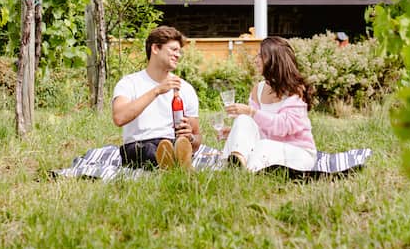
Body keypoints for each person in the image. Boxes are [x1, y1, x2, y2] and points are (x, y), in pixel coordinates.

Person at [221, 35, 317, 172]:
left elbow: (283, 126)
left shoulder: (295, 90)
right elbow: (257, 126)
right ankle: (237, 161)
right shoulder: (258, 89)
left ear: (274, 60)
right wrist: (235, 133)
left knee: (262, 147)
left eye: (261, 56)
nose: (256, 60)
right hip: (267, 146)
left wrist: (251, 112)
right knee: (243, 120)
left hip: (298, 151)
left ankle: (243, 169)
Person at [112, 25, 201, 170]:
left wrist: (190, 136)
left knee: (175, 147)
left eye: (179, 51)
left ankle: (174, 162)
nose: (178, 55)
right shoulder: (129, 83)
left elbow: (197, 139)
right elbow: (119, 118)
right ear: (155, 49)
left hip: (173, 142)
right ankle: (176, 165)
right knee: (148, 150)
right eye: (173, 49)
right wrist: (157, 90)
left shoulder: (185, 88)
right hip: (139, 145)